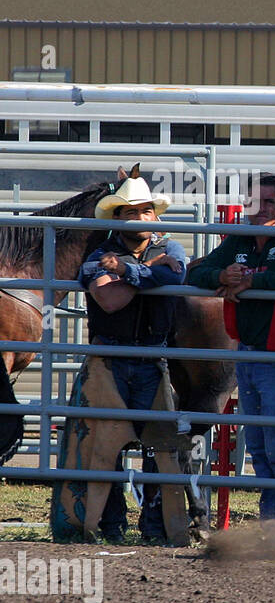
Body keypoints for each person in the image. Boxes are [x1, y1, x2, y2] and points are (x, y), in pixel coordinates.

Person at [186, 174, 275, 535]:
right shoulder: (239, 240)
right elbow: (199, 273)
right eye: (255, 203)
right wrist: (225, 275)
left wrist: (252, 281)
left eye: (269, 203)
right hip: (249, 354)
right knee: (261, 447)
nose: (261, 210)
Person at [77, 171, 189, 543]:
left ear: (153, 217)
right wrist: (151, 274)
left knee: (161, 448)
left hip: (152, 360)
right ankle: (109, 526)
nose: (139, 218)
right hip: (109, 360)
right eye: (130, 211)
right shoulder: (100, 254)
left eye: (145, 211)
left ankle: (156, 529)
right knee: (105, 447)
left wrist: (125, 270)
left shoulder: (163, 252)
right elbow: (109, 301)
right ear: (118, 217)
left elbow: (175, 279)